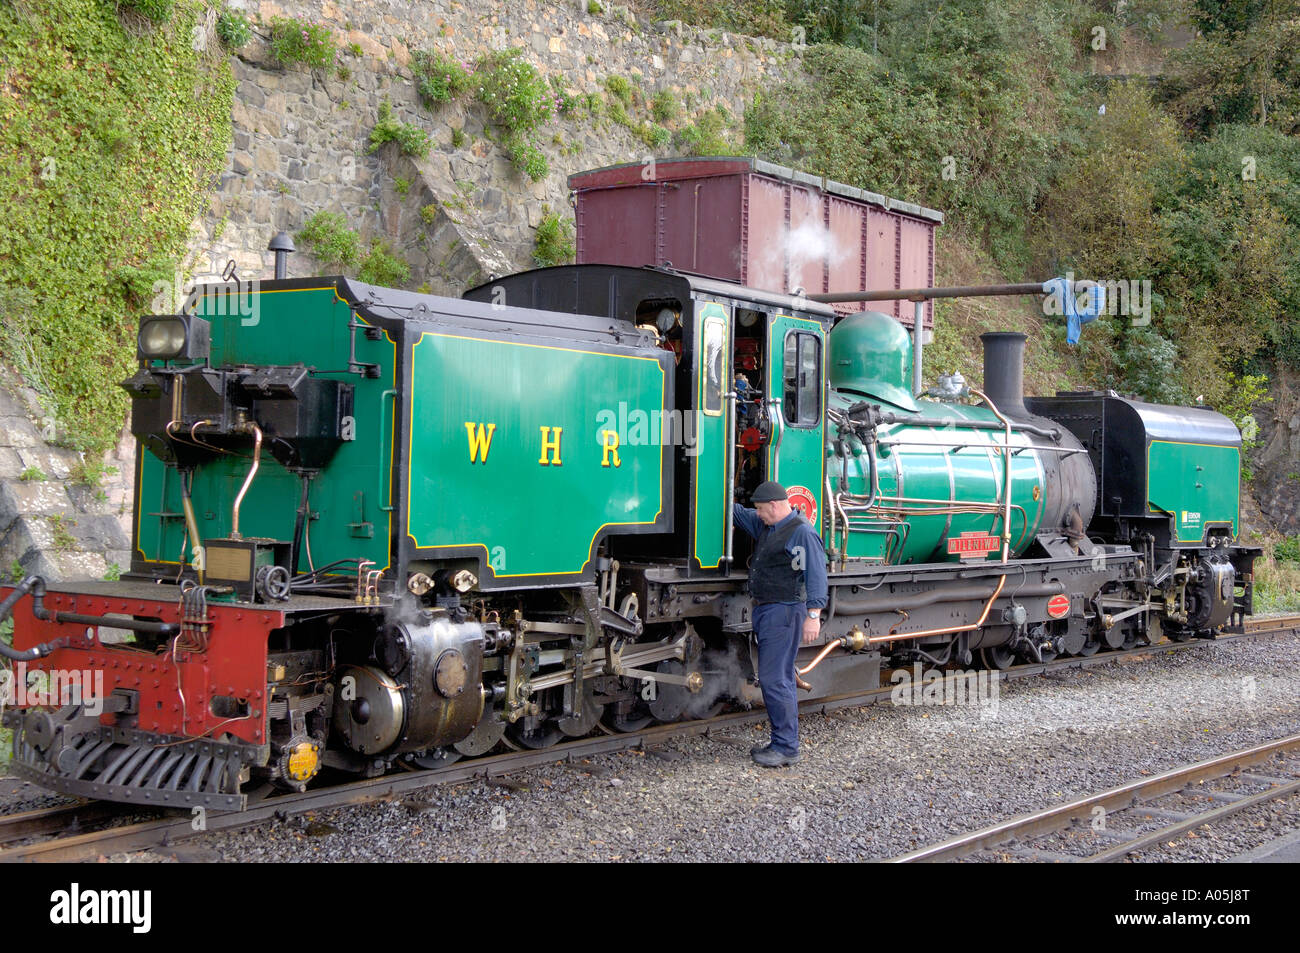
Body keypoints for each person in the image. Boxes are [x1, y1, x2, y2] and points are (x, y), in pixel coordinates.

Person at [732, 481, 828, 767]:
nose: (757, 514)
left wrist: (814, 615)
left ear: (774, 506)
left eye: (760, 509)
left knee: (776, 679)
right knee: (778, 677)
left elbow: (817, 575)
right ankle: (782, 743)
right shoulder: (768, 525)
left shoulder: (801, 532)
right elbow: (737, 513)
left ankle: (786, 747)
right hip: (768, 611)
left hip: (784, 612)